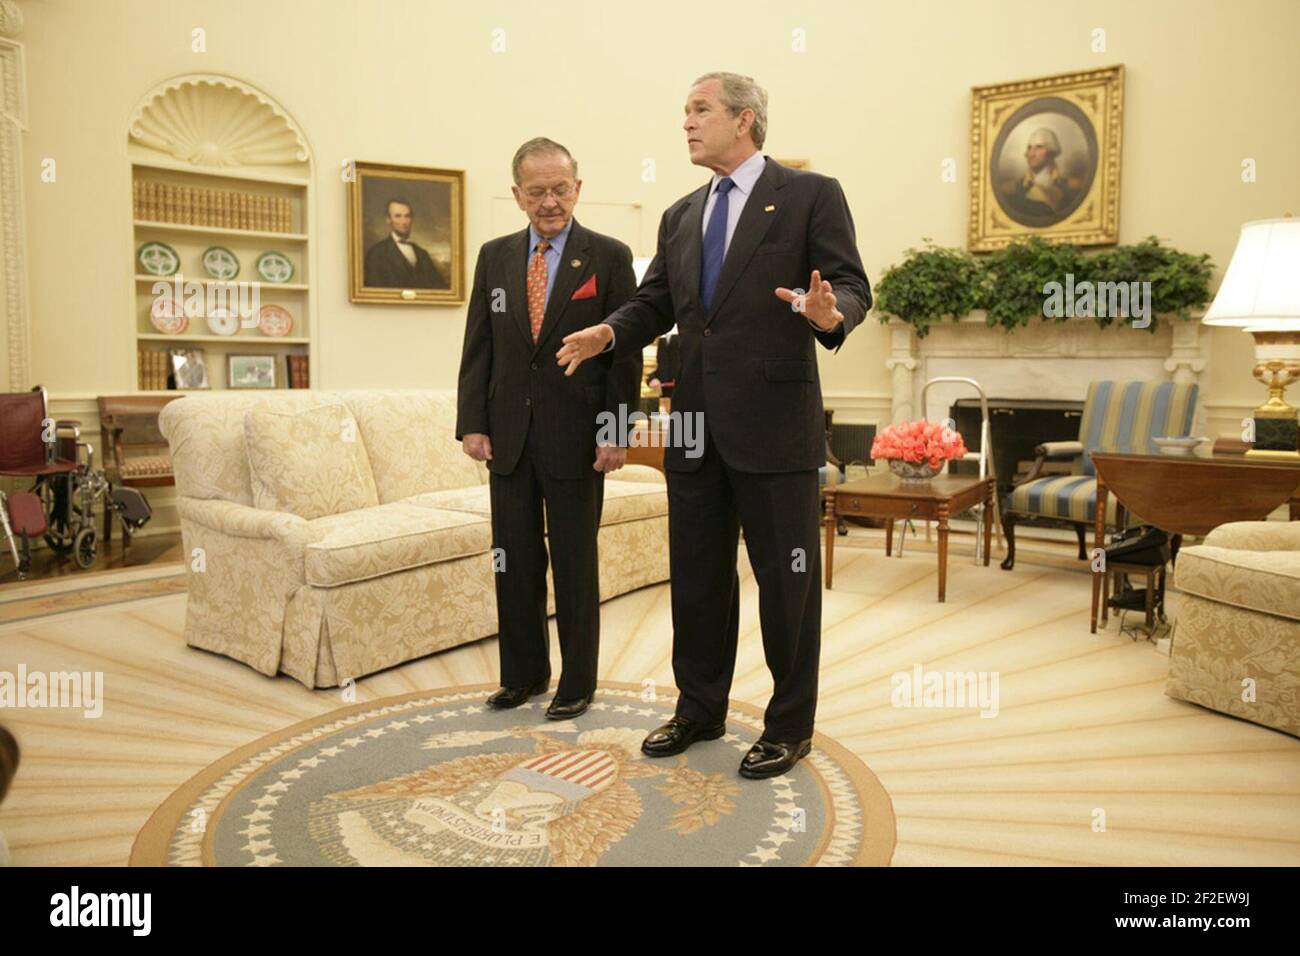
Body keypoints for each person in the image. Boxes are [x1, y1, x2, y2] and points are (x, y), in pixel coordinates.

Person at [557, 72, 871, 778]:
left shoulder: (810, 196)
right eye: (685, 112)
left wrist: (831, 313)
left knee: (785, 584)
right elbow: (654, 303)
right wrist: (608, 333)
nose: (687, 123)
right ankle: (699, 709)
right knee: (696, 579)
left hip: (775, 427)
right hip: (693, 426)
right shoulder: (679, 215)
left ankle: (789, 726)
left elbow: (851, 284)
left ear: (746, 119)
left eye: (700, 110)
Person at [456, 137, 641, 720]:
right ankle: (524, 676)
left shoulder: (609, 256)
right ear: (517, 195)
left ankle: (577, 683)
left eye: (560, 189)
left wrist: (615, 430)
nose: (550, 201)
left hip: (578, 438)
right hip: (508, 437)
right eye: (536, 191)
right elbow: (478, 343)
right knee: (512, 559)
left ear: (577, 188)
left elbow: (626, 354)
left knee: (574, 561)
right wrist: (472, 423)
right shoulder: (494, 256)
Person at [363, 198, 448, 288]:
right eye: (398, 216)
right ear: (388, 219)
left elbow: (439, 288)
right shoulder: (376, 253)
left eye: (407, 216)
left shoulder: (422, 254)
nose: (403, 222)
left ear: (411, 219)